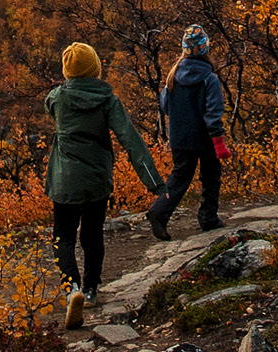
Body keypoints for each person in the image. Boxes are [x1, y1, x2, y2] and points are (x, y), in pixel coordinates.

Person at [46, 41, 164, 330]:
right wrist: (155, 184)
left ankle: (71, 287)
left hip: (64, 179)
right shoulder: (108, 101)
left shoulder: (56, 99)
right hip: (97, 179)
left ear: (67, 72)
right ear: (95, 69)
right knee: (92, 233)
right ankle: (91, 290)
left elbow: (51, 106)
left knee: (63, 235)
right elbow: (130, 140)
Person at [146, 23, 230, 240]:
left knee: (180, 176)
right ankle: (208, 218)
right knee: (211, 176)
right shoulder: (209, 78)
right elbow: (213, 112)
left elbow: (165, 106)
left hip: (180, 137)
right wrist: (218, 139)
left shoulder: (173, 77)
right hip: (205, 138)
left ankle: (159, 212)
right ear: (205, 49)